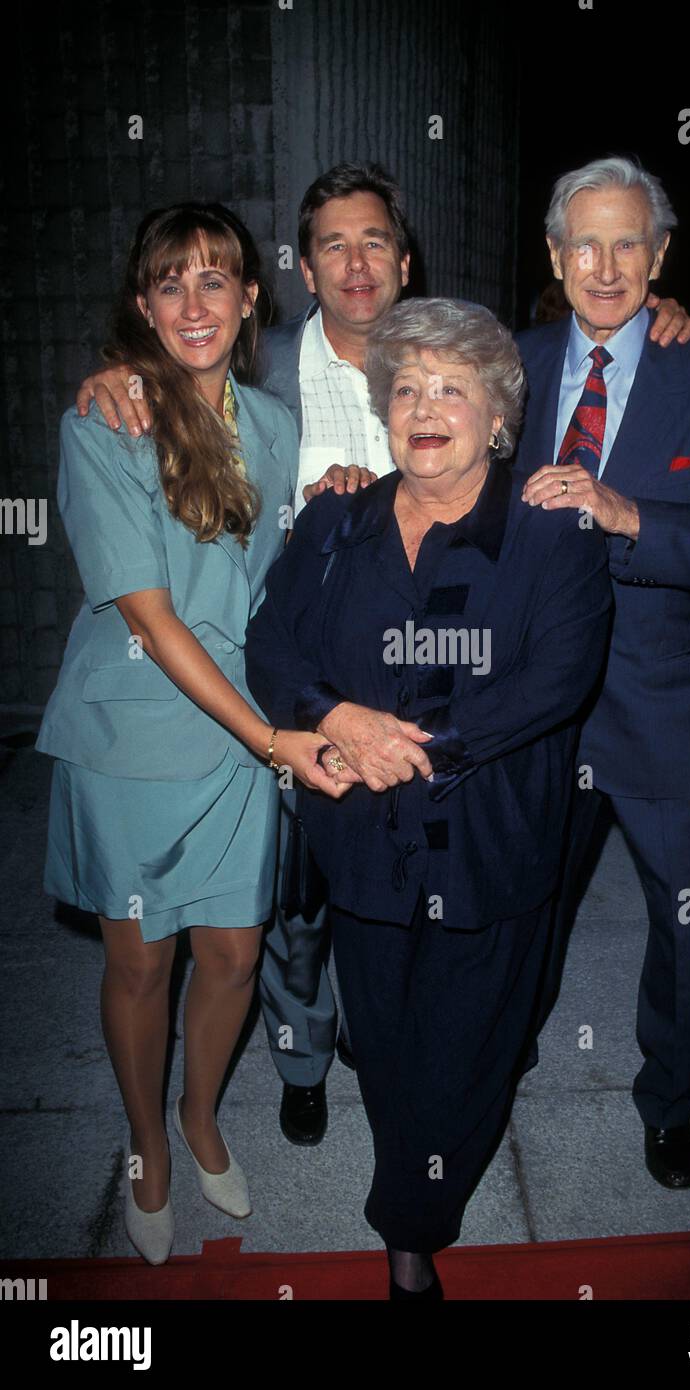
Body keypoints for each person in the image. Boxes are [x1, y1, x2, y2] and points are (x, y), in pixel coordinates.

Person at [73, 164, 690, 1151]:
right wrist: (123, 369)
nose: (357, 263)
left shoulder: (468, 355)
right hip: (296, 689)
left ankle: (406, 1046)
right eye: (333, 244)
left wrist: (667, 318)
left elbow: (594, 340)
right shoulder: (259, 375)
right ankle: (302, 1055)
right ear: (302, 269)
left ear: (405, 262)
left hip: (449, 687)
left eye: (376, 242)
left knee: (426, 897)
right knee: (292, 908)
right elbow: (177, 395)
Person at [244, 297, 613, 1297]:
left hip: (490, 838)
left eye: (453, 388)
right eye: (406, 387)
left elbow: (559, 675)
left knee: (470, 1045)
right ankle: (411, 1178)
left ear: (500, 417)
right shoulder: (336, 520)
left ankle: (409, 1225)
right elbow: (270, 643)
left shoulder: (550, 532)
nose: (426, 407)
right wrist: (334, 719)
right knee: (390, 1037)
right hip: (361, 838)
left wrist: (417, 749)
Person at [36, 203, 345, 1266]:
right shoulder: (106, 421)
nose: (195, 302)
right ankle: (144, 1145)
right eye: (171, 282)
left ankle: (202, 1114)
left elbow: (304, 561)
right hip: (136, 741)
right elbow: (152, 617)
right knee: (140, 964)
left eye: (217, 279)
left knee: (234, 952)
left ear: (253, 297)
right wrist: (273, 740)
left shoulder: (273, 426)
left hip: (243, 735)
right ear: (143, 305)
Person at [517, 157, 690, 1190]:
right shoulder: (517, 361)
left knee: (685, 919)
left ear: (660, 256)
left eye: (631, 242)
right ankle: (507, 1041)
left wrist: (628, 515)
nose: (608, 264)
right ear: (555, 255)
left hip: (664, 701)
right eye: (587, 242)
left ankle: (668, 1097)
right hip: (539, 700)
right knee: (528, 896)